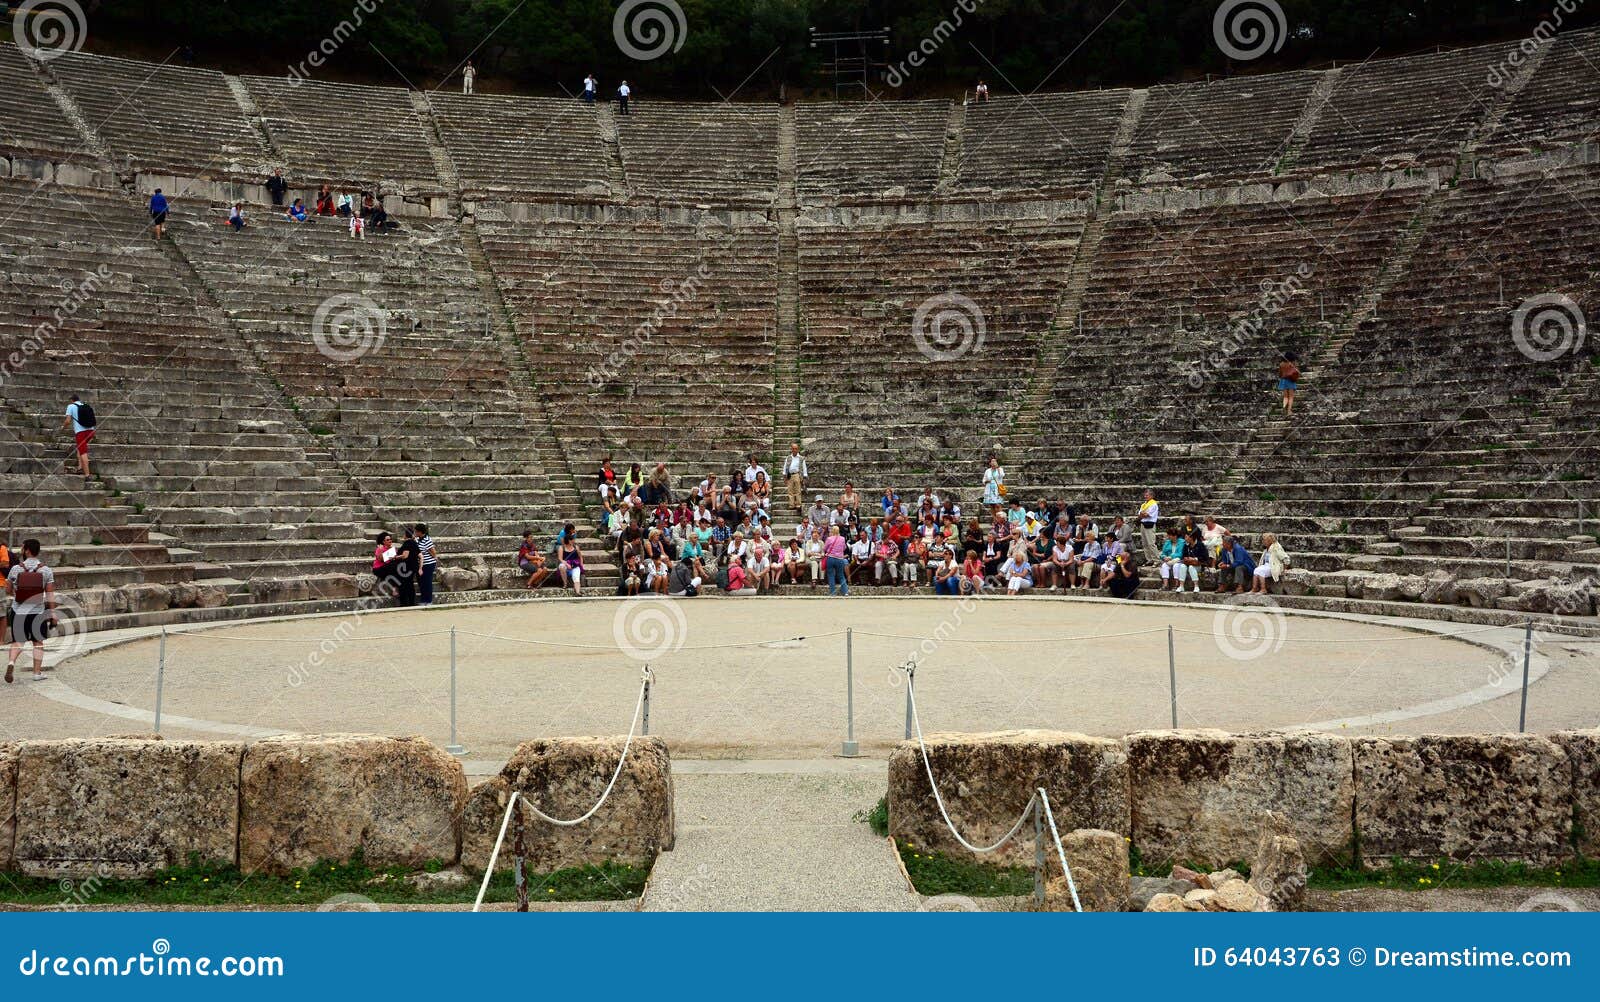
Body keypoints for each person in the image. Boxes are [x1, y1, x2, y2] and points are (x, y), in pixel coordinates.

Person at [5, 540, 56, 683]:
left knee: (18, 641)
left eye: (22, 548)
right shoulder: (46, 570)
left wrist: (16, 592)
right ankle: (36, 673)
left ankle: (11, 663)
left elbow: (7, 590)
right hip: (37, 611)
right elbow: (50, 594)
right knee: (37, 642)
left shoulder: (15, 569)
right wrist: (52, 613)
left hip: (18, 609)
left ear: (27, 551)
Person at [415, 523, 439, 605]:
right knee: (421, 582)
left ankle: (428, 600)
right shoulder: (417, 539)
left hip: (428, 564)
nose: (415, 532)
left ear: (420, 532)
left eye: (416, 531)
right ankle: (423, 599)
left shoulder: (427, 540)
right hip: (420, 564)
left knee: (427, 582)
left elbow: (433, 553)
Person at [1134, 488, 1160, 561]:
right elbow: (1140, 514)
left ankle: (1156, 559)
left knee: (1151, 543)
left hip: (1150, 524)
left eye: (1147, 495)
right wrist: (1142, 514)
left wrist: (1142, 514)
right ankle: (1149, 559)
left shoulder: (1153, 504)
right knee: (1145, 544)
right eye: (1145, 495)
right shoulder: (1143, 504)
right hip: (1143, 524)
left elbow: (1147, 515)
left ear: (1151, 496)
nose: (1145, 496)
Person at [823, 524, 849, 596]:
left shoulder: (829, 539)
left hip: (830, 558)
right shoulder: (842, 539)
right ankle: (845, 591)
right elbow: (844, 548)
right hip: (840, 558)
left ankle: (833, 592)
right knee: (841, 575)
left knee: (831, 575)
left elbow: (824, 548)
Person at [782, 444, 808, 512]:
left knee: (798, 490)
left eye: (796, 448)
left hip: (797, 474)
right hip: (789, 475)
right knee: (790, 490)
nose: (794, 450)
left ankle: (798, 504)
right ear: (791, 449)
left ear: (798, 449)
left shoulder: (801, 458)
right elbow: (785, 467)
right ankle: (791, 504)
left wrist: (804, 476)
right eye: (793, 448)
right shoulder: (788, 458)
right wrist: (784, 476)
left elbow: (804, 467)